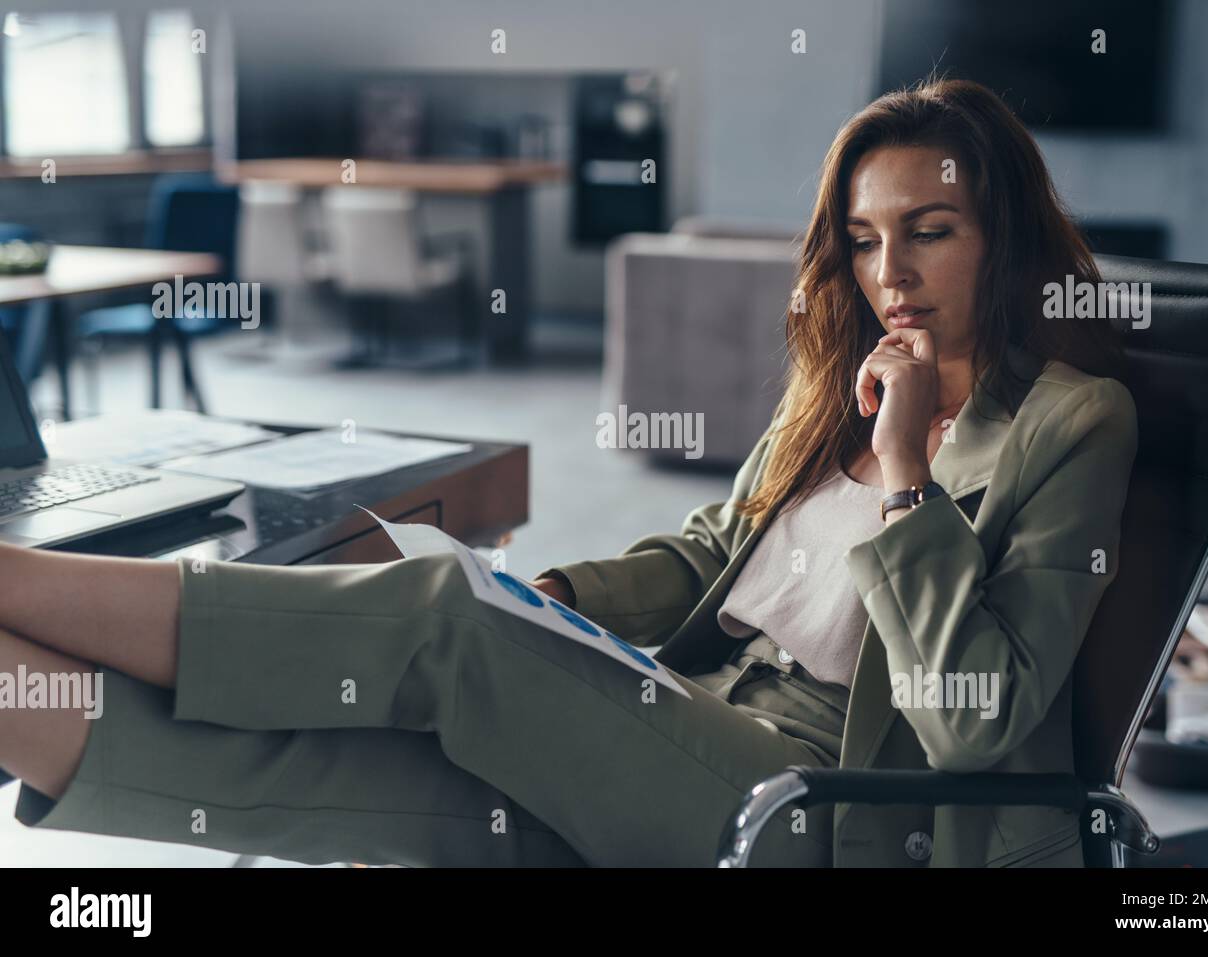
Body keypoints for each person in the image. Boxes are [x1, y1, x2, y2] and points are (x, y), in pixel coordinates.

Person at [0, 76, 1137, 868]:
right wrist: (556, 604)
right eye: (862, 236)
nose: (890, 270)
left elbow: (972, 723)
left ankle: (16, 578)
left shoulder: (1071, 422)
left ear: (1002, 234)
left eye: (929, 229)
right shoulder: (846, 378)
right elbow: (708, 554)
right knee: (387, 772)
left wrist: (904, 483)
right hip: (690, 729)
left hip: (836, 813)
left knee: (444, 617)